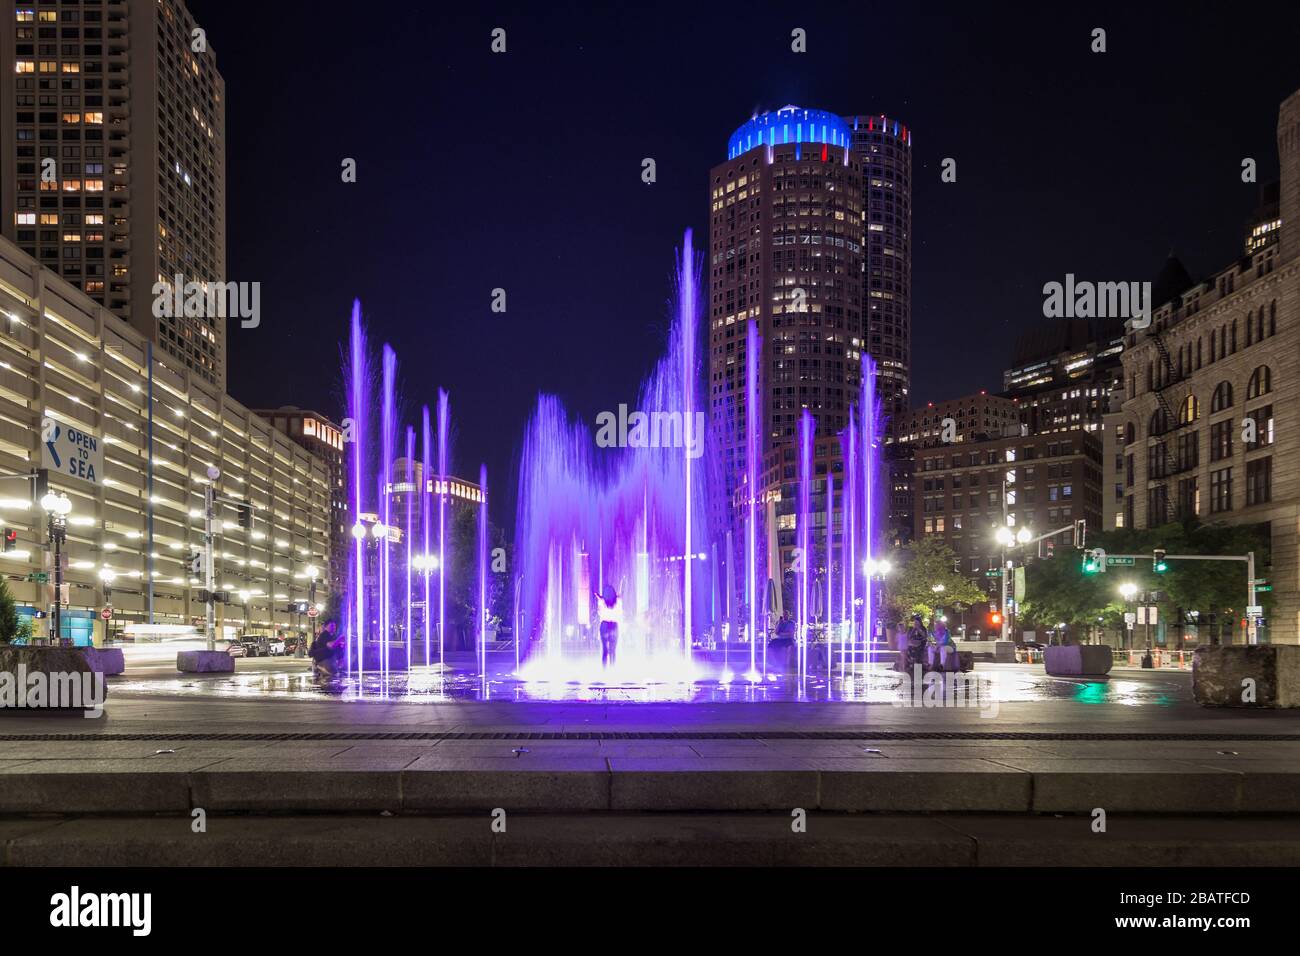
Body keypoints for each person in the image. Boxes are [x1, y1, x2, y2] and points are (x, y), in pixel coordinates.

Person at [594, 585, 622, 669]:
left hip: (605, 625)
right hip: (613, 625)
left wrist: (600, 599)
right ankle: (612, 669)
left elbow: (599, 612)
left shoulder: (602, 601)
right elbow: (619, 612)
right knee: (612, 650)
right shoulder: (618, 601)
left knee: (605, 650)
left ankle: (605, 670)